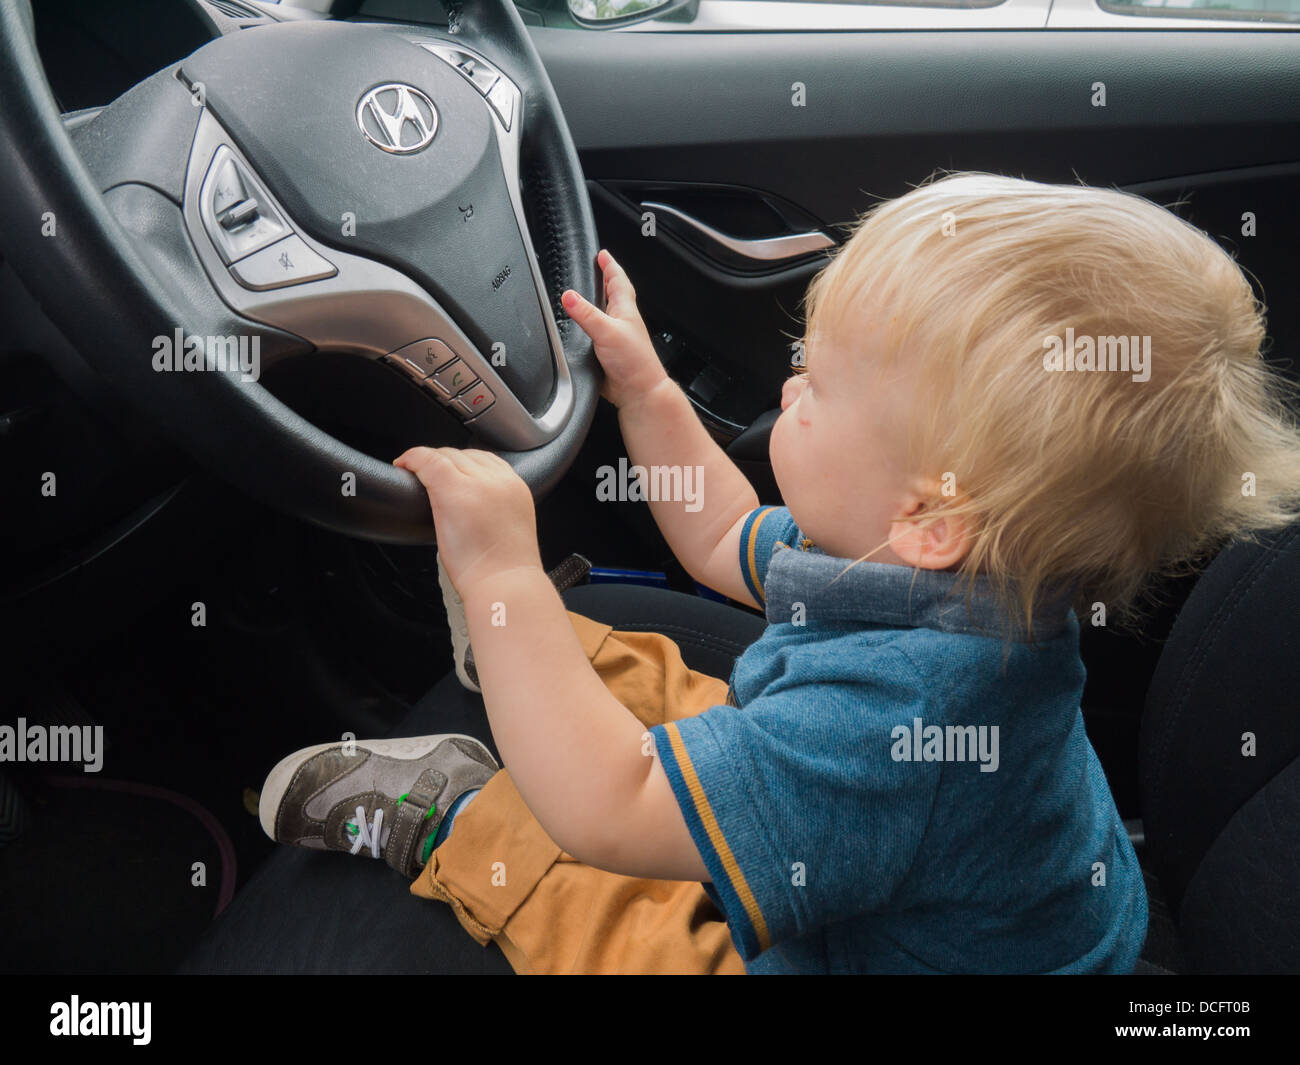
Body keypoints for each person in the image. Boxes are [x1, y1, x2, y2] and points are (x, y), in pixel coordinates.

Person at [257, 172, 1300, 974]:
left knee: (636, 934)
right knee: (658, 670)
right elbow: (721, 537)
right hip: (1001, 896)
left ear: (930, 515)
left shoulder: (893, 728)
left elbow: (610, 808)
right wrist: (649, 394)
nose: (792, 381)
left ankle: (455, 820)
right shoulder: (927, 566)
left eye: (822, 384)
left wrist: (503, 573)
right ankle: (529, 665)